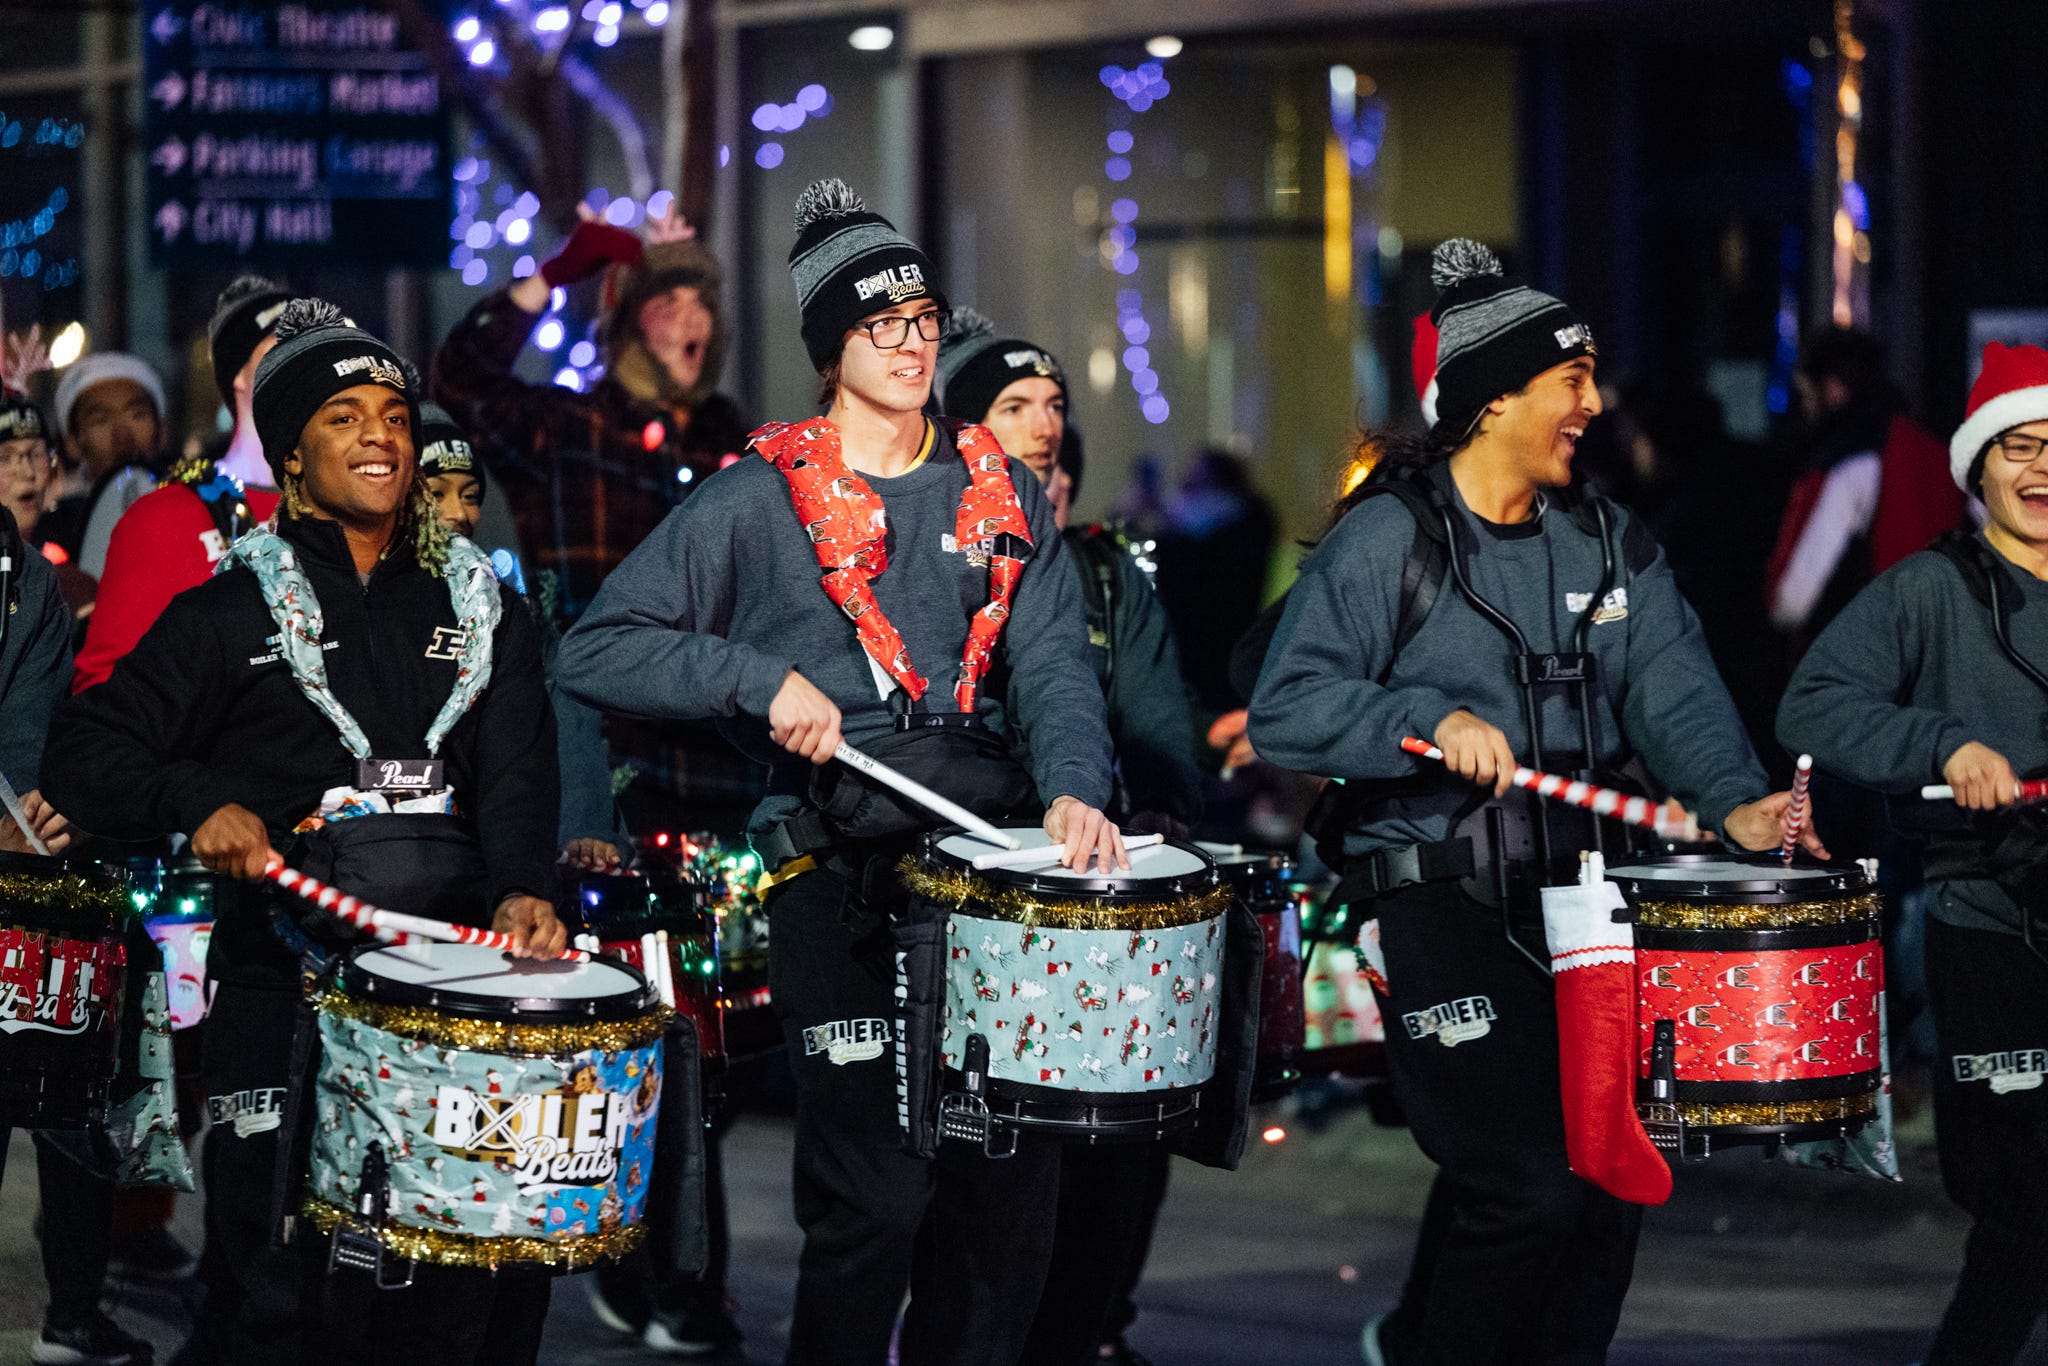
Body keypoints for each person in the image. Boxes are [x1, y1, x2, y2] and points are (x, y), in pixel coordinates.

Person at [561, 177, 1123, 1366]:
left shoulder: (1000, 486)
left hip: (991, 878)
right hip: (835, 870)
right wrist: (754, 680)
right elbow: (596, 648)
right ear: (831, 347)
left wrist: (1076, 784)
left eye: (922, 318)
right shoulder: (755, 499)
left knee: (1004, 1212)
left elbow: (1054, 672)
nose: (911, 342)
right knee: (873, 1202)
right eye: (881, 324)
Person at [1247, 240, 1818, 1366]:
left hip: (1590, 909)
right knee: (1526, 1185)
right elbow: (1287, 706)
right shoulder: (1387, 540)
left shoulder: (1609, 541)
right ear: (1492, 397)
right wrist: (1420, 716)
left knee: (1610, 1187)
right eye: (1570, 381)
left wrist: (1740, 804)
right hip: (1439, 905)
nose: (1592, 404)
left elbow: (1677, 695)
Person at [41, 299, 565, 1365]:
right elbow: (83, 754)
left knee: (453, 1292)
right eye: (342, 416)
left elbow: (515, 777)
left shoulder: (482, 610)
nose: (380, 434)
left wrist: (521, 889)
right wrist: (195, 801)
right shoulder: (228, 610)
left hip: (443, 1000)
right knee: (272, 1289)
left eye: (393, 415)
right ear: (288, 451)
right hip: (279, 986)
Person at [937, 311, 1201, 1366]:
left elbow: (1156, 726)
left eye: (1053, 407)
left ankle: (1083, 1331)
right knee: (987, 1163)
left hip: (1086, 897)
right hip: (965, 893)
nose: (1043, 426)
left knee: (1117, 1142)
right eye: (1015, 407)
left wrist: (1164, 815)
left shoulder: (1101, 575)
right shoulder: (911, 550)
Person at [1777, 340, 2048, 1364]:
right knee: (2017, 1202)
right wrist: (1941, 741)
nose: (2036, 469)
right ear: (1977, 466)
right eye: (2014, 446)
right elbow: (1810, 700)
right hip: (1983, 920)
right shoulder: (1927, 589)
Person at [433, 203, 750, 625]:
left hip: (715, 684)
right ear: (629, 324)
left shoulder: (730, 440)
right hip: (589, 683)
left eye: (702, 304)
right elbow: (462, 379)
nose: (691, 321)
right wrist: (551, 276)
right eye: (668, 304)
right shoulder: (567, 432)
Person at [73, 278, 289, 693]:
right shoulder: (167, 516)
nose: (303, 362)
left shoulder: (349, 511)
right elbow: (105, 694)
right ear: (238, 376)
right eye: (280, 348)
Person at [1767, 326, 1963, 640]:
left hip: (1871, 661)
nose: (1805, 410)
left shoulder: (1846, 464)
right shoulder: (1937, 453)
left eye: (1806, 395)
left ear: (1831, 388)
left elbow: (1791, 602)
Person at [45, 353, 169, 582]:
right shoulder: (55, 531)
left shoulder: (199, 502)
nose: (122, 435)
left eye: (137, 415)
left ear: (162, 430)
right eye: (101, 420)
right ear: (72, 442)